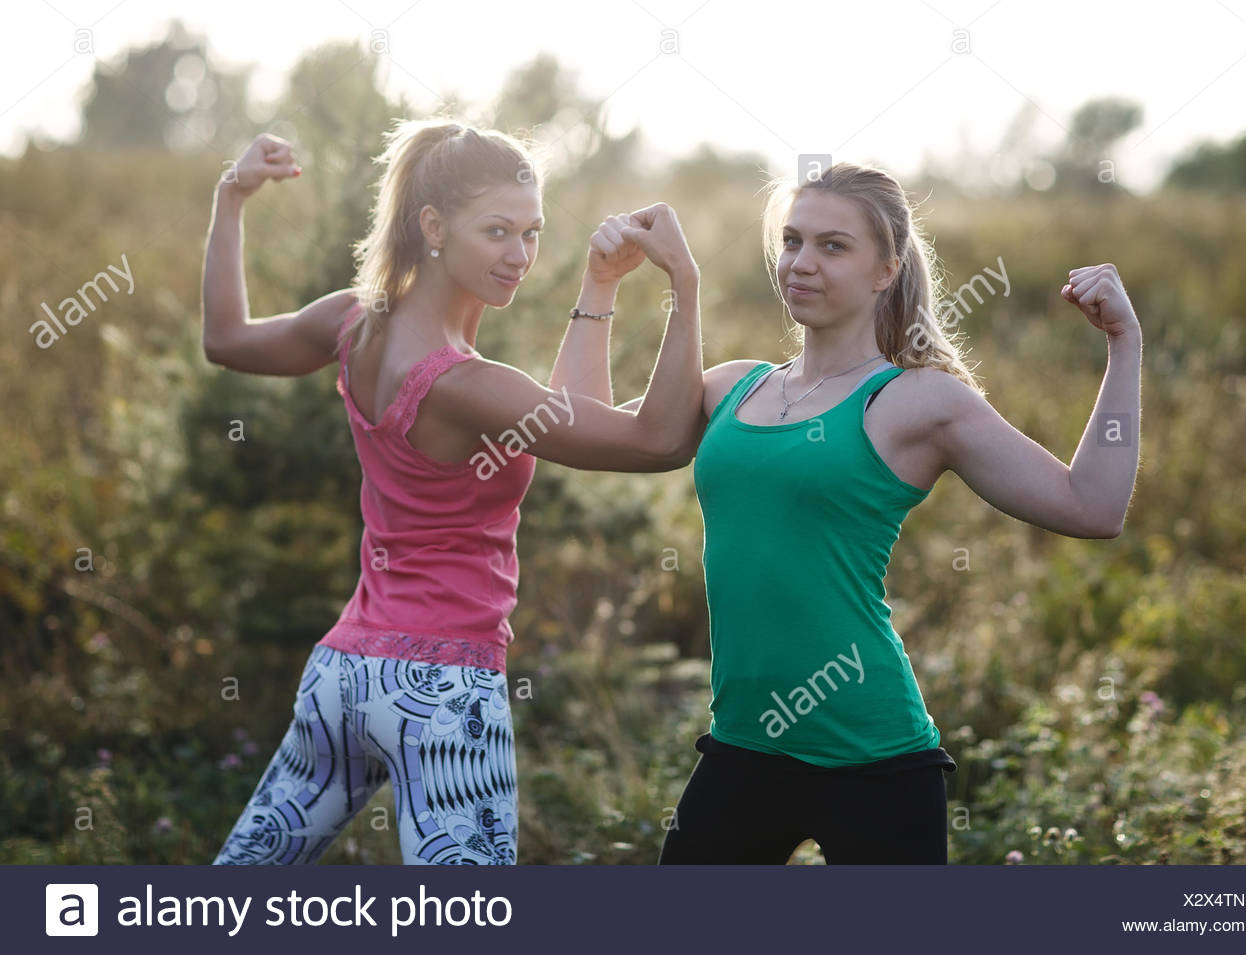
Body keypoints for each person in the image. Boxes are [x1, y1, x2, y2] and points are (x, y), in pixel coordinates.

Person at [574, 161, 1142, 864]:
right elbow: (584, 429)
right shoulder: (732, 388)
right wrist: (603, 283)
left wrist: (1124, 343)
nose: (801, 264)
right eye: (791, 241)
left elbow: (1092, 505)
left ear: (885, 270)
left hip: (874, 758)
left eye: (832, 246)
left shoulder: (917, 400)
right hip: (744, 747)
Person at [200, 119, 702, 864]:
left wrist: (230, 197)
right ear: (432, 224)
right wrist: (685, 289)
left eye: (531, 232)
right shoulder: (469, 387)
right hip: (443, 693)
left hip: (345, 675)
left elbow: (226, 339)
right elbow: (655, 439)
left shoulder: (353, 323)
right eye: (497, 231)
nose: (520, 256)